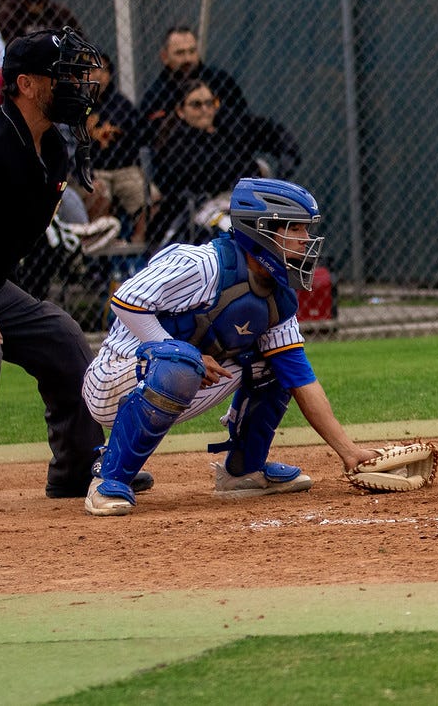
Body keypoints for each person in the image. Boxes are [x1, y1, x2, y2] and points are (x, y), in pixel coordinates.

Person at [81, 177, 381, 515]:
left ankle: (243, 471)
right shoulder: (201, 264)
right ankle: (110, 478)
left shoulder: (277, 297)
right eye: (294, 229)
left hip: (184, 380)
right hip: (113, 378)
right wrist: (181, 351)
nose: (306, 240)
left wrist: (349, 452)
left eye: (306, 229)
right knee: (179, 363)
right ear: (260, 229)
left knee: (274, 365)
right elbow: (125, 301)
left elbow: (301, 378)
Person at [0, 27, 115, 498]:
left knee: (61, 340)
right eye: (63, 76)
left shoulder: (54, 151)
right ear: (27, 85)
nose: (77, 85)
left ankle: (78, 470)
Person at [148, 79, 259, 247]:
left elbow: (249, 168)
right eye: (196, 105)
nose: (205, 110)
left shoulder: (224, 136)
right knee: (230, 229)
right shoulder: (174, 143)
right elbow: (190, 180)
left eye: (209, 103)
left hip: (232, 203)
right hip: (193, 211)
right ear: (180, 110)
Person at [79, 57, 155, 239]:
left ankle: (139, 244)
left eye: (103, 70)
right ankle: (103, 245)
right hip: (93, 170)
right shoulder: (72, 106)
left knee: (149, 196)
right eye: (89, 70)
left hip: (124, 169)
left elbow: (139, 137)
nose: (96, 76)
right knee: (97, 195)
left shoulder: (122, 105)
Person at [137, 25, 250, 140]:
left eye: (192, 51)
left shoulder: (220, 81)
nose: (188, 59)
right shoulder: (156, 95)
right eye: (180, 53)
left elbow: (242, 117)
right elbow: (150, 135)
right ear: (165, 57)